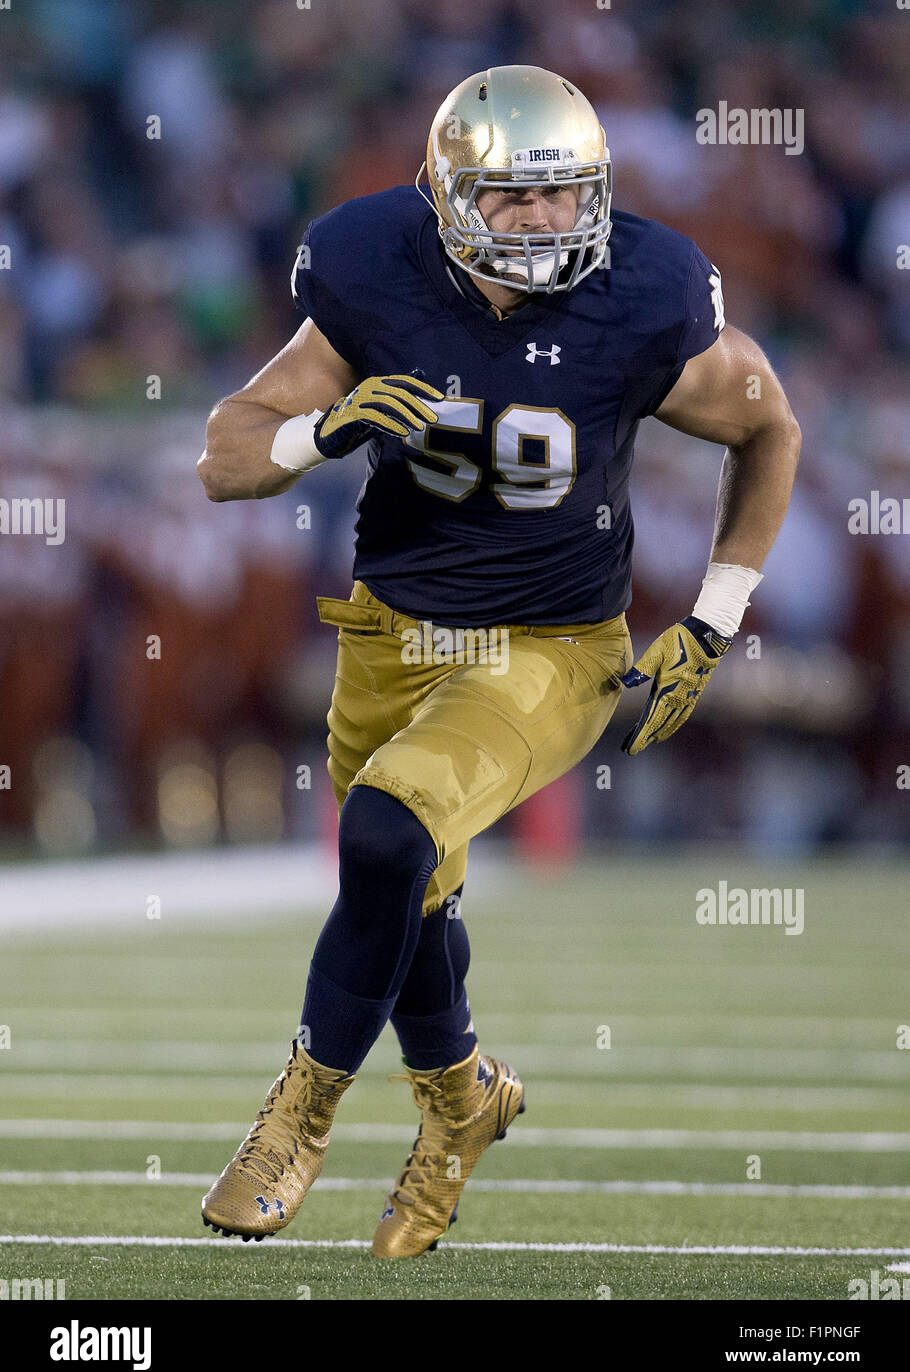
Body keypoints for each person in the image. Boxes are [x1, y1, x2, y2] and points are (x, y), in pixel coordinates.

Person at [196, 65, 800, 1258]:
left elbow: (766, 422)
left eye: (564, 195)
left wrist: (717, 614)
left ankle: (299, 1115)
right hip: (387, 636)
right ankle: (463, 1099)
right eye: (513, 199)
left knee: (380, 830)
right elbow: (226, 454)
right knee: (405, 888)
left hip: (551, 646)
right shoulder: (372, 265)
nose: (543, 221)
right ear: (446, 193)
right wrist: (330, 428)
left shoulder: (647, 292)